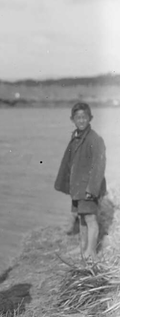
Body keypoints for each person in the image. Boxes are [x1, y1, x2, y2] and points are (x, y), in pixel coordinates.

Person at [55, 102, 107, 261]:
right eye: (78, 118)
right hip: (78, 187)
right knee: (81, 217)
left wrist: (92, 190)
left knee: (90, 219)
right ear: (73, 119)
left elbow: (99, 166)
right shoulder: (76, 137)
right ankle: (82, 247)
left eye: (84, 117)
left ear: (90, 118)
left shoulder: (95, 139)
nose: (81, 120)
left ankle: (90, 251)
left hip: (88, 188)